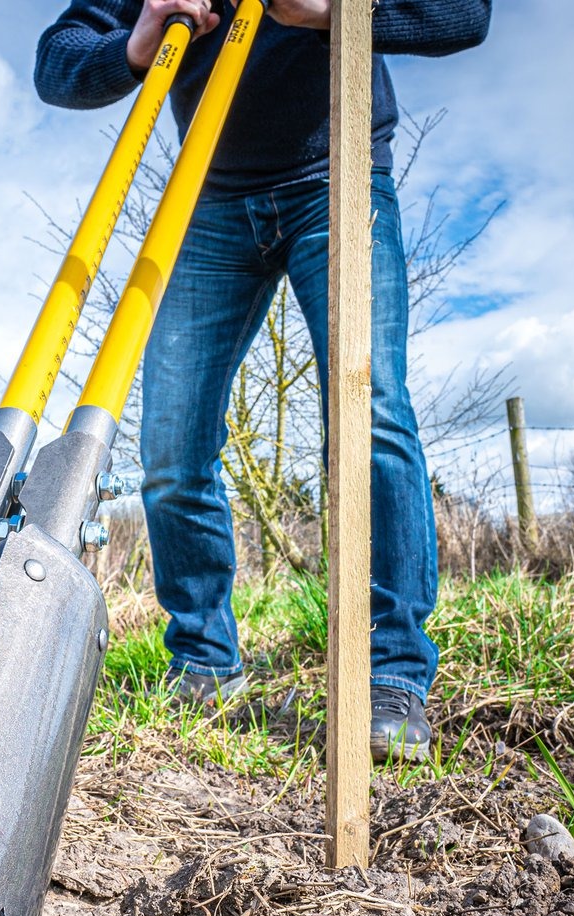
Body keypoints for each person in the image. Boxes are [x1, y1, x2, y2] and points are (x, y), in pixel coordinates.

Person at [35, 0, 491, 761]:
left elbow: (463, 13)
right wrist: (136, 44)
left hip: (338, 170)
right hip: (208, 198)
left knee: (371, 415)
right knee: (173, 445)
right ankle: (206, 664)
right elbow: (60, 58)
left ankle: (394, 674)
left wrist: (333, 9)